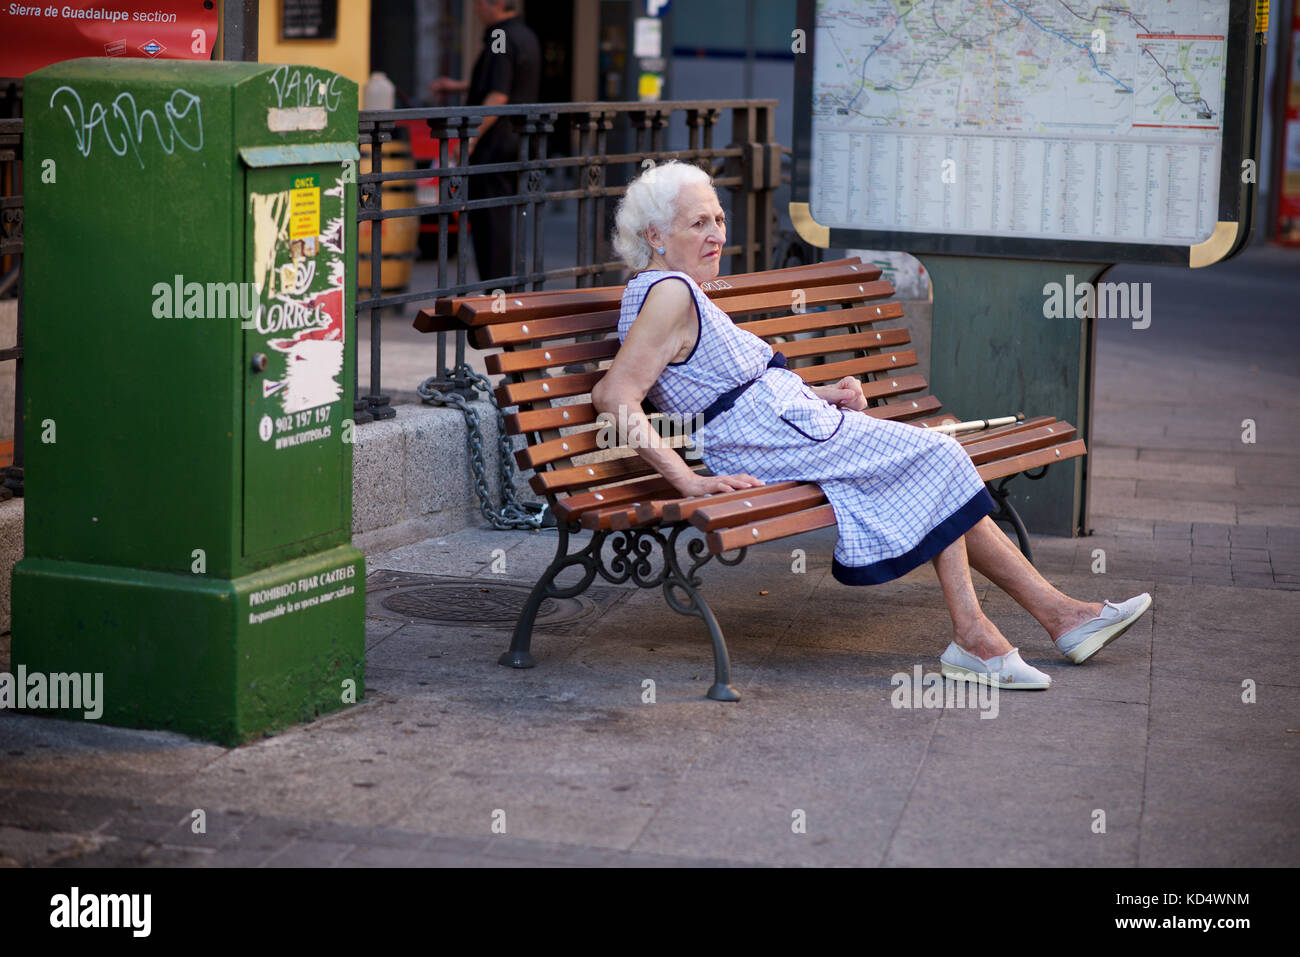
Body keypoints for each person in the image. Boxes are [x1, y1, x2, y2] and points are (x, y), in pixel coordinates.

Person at [594, 160, 1152, 689]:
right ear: (655, 236)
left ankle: (1059, 618)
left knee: (935, 472)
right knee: (939, 458)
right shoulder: (669, 292)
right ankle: (980, 637)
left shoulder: (676, 290)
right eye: (698, 223)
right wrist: (685, 482)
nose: (716, 232)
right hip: (768, 443)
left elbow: (718, 386)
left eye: (718, 218)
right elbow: (615, 394)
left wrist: (822, 394)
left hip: (783, 431)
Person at [429, 0, 540, 282]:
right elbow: (502, 82)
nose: (476, 9)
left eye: (479, 2)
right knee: (501, 220)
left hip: (496, 145)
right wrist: (459, 87)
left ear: (496, 3)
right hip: (518, 141)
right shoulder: (524, 34)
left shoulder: (499, 36)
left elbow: (498, 94)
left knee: (491, 225)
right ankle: (501, 292)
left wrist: (471, 139)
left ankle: (497, 295)